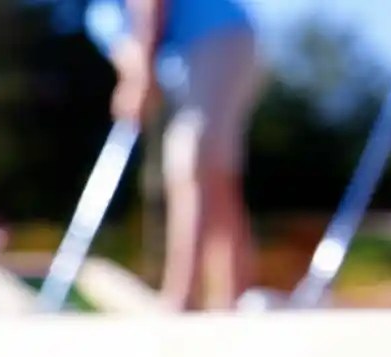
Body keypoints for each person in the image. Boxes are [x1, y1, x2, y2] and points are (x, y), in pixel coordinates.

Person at [86, 0, 262, 311]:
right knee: (213, 175)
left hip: (217, 40)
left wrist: (140, 79)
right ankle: (234, 295)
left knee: (190, 161)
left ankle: (181, 297)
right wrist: (136, 78)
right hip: (206, 54)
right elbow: (127, 51)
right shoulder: (97, 14)